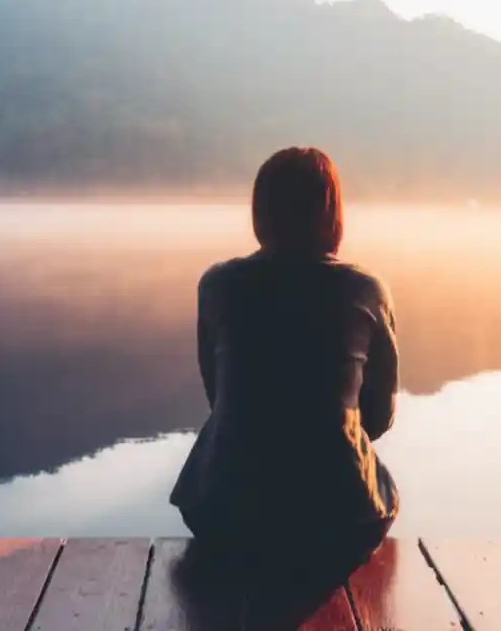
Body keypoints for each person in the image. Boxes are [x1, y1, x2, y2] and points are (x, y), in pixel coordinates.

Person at [170, 147, 399, 579]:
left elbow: (219, 397)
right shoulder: (366, 290)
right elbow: (380, 417)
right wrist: (325, 433)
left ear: (261, 210)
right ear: (332, 213)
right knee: (374, 489)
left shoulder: (218, 285)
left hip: (223, 516)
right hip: (341, 522)